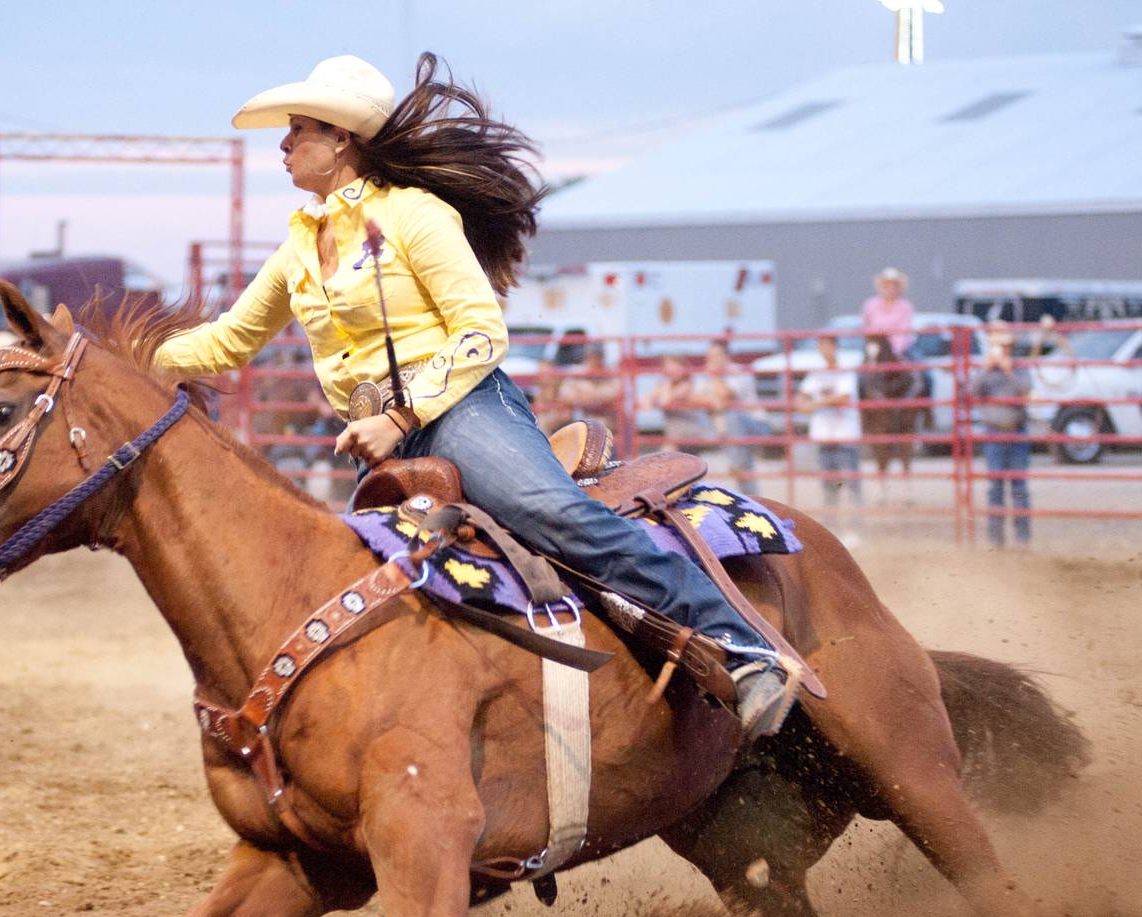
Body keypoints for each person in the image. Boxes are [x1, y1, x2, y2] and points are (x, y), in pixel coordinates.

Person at [151, 53, 793, 738]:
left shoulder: (414, 215)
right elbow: (226, 341)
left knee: (554, 513)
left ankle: (743, 648)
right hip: (380, 441)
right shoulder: (298, 248)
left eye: (298, 128)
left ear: (341, 137)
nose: (282, 144)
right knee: (356, 593)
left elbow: (482, 331)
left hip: (461, 411)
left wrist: (400, 415)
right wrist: (119, 362)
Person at [970, 324, 1033, 547]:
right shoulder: (985, 370)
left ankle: (1022, 539)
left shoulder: (1019, 368)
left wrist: (1008, 371)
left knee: (1019, 488)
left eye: (1005, 346)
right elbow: (971, 392)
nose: (1003, 350)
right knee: (995, 487)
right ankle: (996, 539)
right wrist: (987, 370)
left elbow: (1025, 390)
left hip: (1015, 430)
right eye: (999, 346)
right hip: (994, 431)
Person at [797, 335, 863, 514]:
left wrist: (815, 403)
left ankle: (855, 525)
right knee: (828, 484)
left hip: (845, 434)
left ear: (835, 348)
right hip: (824, 434)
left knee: (851, 483)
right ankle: (832, 522)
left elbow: (843, 398)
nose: (825, 351)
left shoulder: (845, 371)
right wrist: (820, 401)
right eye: (822, 347)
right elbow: (801, 400)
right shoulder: (816, 373)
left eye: (828, 346)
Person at [695, 340, 769, 496]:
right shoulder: (705, 375)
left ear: (727, 357)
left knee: (732, 416)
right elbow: (694, 397)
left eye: (716, 356)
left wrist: (714, 378)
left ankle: (736, 465)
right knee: (744, 466)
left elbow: (726, 396)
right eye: (710, 357)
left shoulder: (739, 372)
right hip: (730, 432)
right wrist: (712, 401)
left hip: (754, 424)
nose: (712, 361)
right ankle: (752, 499)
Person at [644, 355, 713, 453]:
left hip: (694, 431)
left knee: (667, 451)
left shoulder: (688, 384)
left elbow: (667, 400)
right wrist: (650, 401)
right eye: (668, 367)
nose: (672, 370)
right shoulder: (663, 385)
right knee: (668, 449)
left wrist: (665, 387)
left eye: (675, 366)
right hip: (676, 435)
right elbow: (647, 400)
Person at [861, 267, 914, 357]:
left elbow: (903, 331)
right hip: (875, 347)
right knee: (863, 368)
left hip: (901, 348)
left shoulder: (905, 306)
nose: (890, 289)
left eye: (894, 285)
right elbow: (866, 327)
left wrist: (896, 352)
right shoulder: (870, 305)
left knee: (918, 365)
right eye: (886, 285)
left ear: (899, 287)